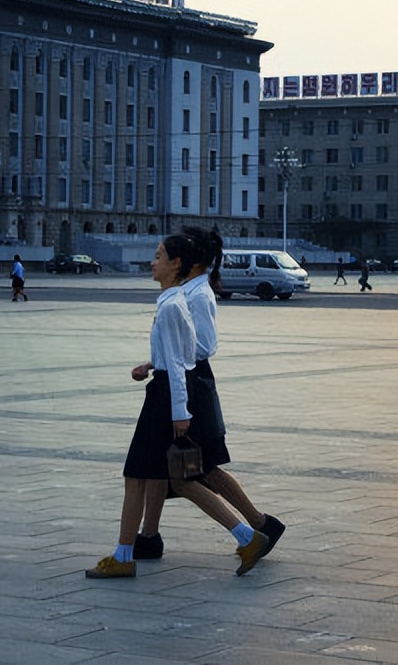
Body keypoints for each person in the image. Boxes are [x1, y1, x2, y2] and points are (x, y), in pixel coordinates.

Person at [86, 235, 270, 580]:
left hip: (165, 399)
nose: (152, 262)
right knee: (170, 478)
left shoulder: (174, 305)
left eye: (159, 256)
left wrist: (180, 412)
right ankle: (247, 537)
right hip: (166, 394)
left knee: (139, 476)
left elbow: (180, 363)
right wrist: (152, 364)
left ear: (176, 264)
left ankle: (125, 556)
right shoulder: (174, 300)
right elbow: (175, 356)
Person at [133, 226, 285, 565]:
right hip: (181, 379)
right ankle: (149, 535)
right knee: (169, 465)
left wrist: (169, 362)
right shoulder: (188, 289)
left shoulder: (198, 294)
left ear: (192, 260)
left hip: (190, 384)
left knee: (195, 468)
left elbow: (203, 345)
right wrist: (156, 361)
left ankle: (258, 525)